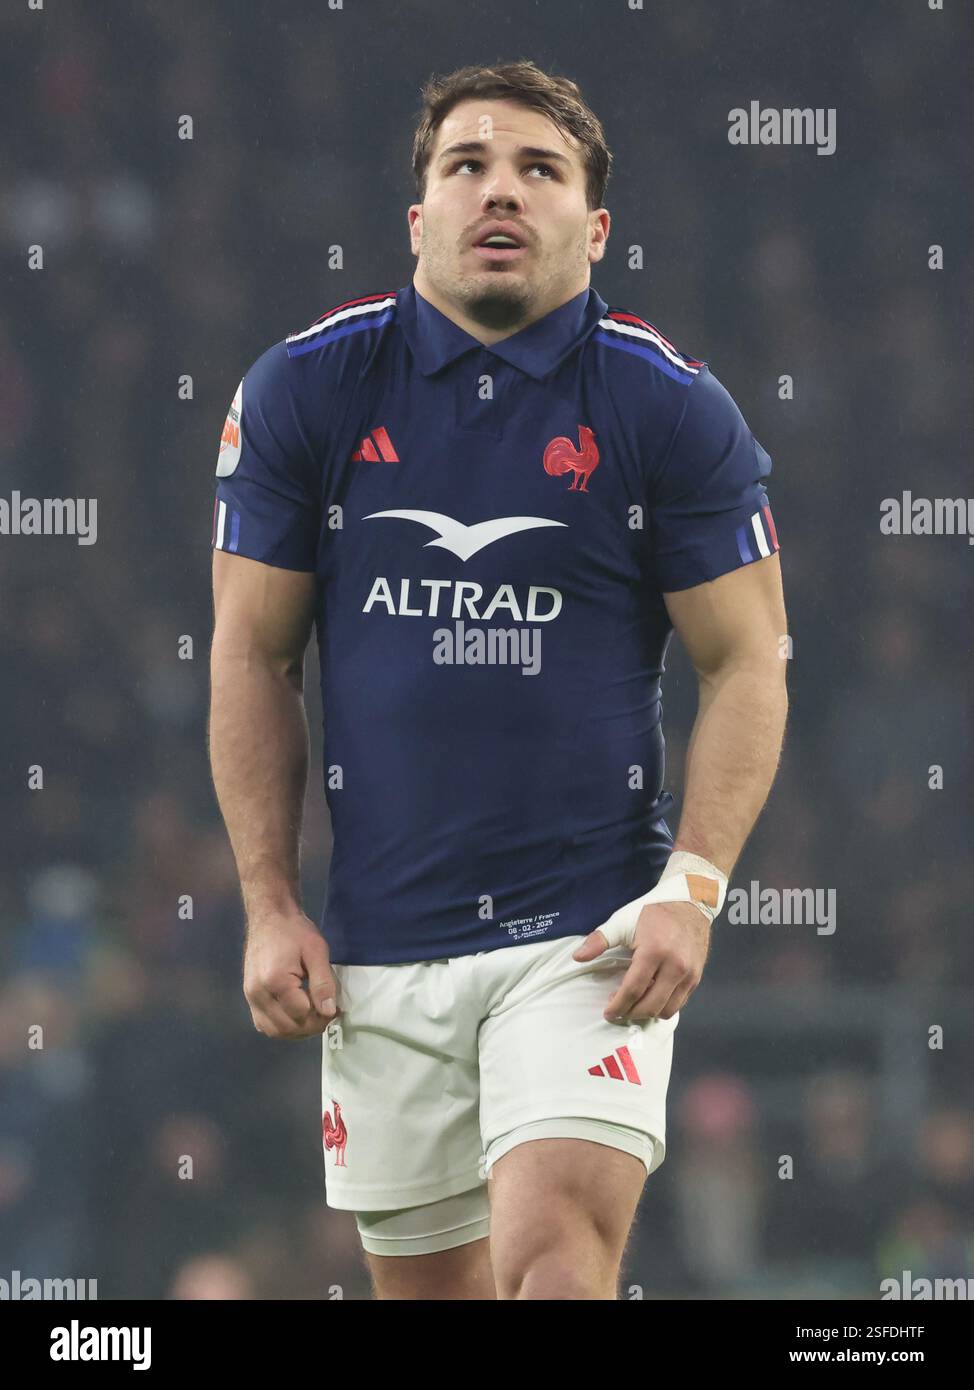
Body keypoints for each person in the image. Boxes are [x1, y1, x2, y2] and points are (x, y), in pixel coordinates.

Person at [207, 59, 788, 1301]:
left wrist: (690, 888)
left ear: (595, 227)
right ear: (417, 216)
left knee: (556, 1271)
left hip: (585, 936)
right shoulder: (303, 388)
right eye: (465, 165)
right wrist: (265, 903)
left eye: (540, 169)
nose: (499, 191)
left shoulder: (666, 406)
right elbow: (251, 654)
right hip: (380, 945)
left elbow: (746, 660)